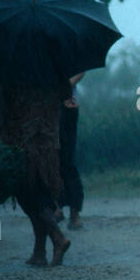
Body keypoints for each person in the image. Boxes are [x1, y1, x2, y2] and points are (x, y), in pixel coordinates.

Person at [0, 76, 72, 266]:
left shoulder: (5, 68)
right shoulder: (52, 63)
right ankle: (39, 251)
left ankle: (57, 238)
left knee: (32, 198)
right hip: (48, 144)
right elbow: (66, 95)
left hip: (21, 145)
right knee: (42, 194)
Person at [57, 72, 85, 229]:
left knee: (67, 159)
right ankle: (56, 207)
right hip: (45, 105)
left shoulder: (68, 48)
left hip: (68, 106)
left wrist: (66, 86)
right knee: (50, 160)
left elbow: (81, 70)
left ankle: (74, 213)